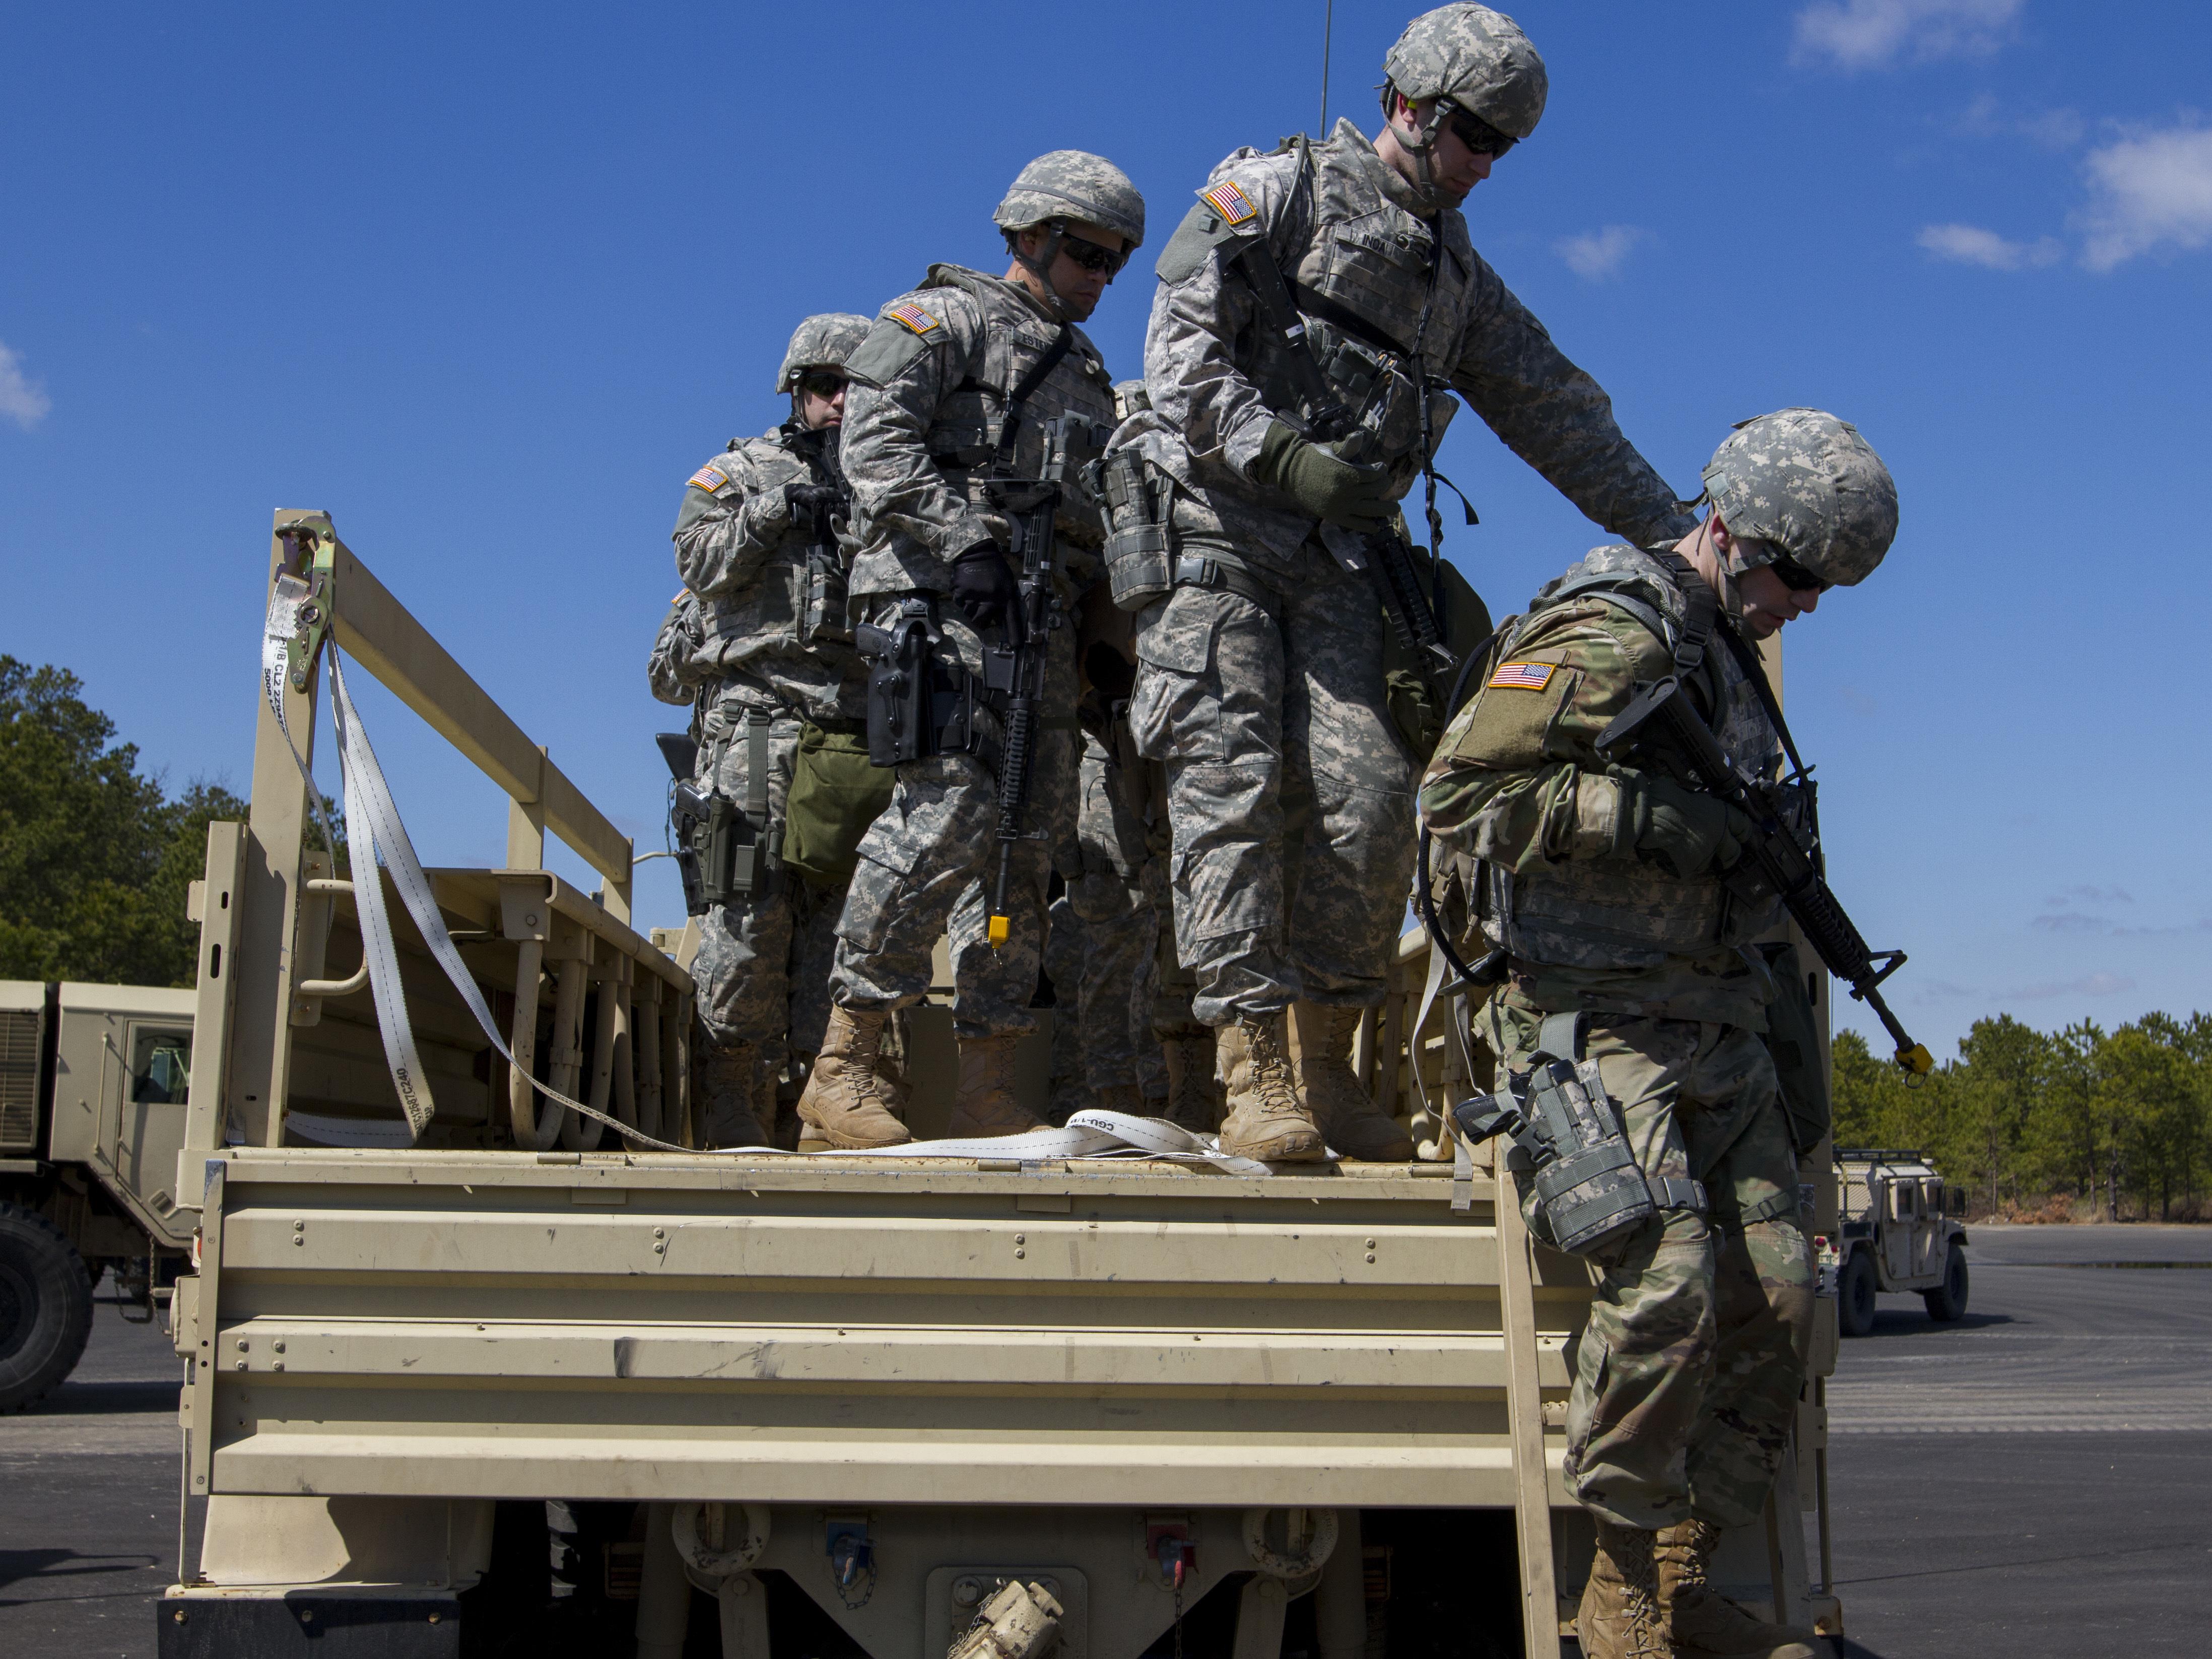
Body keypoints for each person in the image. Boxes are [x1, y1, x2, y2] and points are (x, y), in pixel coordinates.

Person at [1104, 3, 1692, 1163]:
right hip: (1217, 529)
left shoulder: (1454, 281)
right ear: (1407, 108)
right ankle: (1253, 1069)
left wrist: (1680, 538)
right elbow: (1174, 347)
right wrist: (1281, 453)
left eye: (1501, 147)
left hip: (1335, 561)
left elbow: (1559, 414)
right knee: (1228, 790)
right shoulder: (1281, 194)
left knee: (1373, 799)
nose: (1482, 163)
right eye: (1471, 133)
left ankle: (1326, 1063)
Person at [1418, 409, 1899, 1659]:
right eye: (1800, 575)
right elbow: (1459, 795)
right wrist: (1654, 822)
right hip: (1590, 1015)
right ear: (1733, 532)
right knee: (1666, 1290)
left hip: (1713, 1014)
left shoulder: (1725, 648)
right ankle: (1622, 1587)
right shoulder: (1612, 626)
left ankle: (1682, 1571)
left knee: (1783, 1299)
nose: (1807, 604)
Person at [797, 152, 1145, 1148]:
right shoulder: (937, 320)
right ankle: (845, 1064)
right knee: (945, 815)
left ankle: (991, 1078)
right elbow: (873, 446)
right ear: (1029, 235)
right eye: (1086, 252)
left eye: (1116, 263)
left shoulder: (1085, 373)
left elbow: (1098, 514)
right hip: (949, 609)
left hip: (1046, 630)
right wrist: (967, 545)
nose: (1098, 276)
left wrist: (1104, 635)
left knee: (1022, 854)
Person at [667, 312, 873, 1148]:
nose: (842, 406)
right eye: (827, 388)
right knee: (747, 914)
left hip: (852, 728)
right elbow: (693, 558)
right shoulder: (742, 470)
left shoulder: (891, 476)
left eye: (861, 391)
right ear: (797, 391)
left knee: (839, 926)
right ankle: (730, 1090)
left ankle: (814, 1099)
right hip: (756, 717)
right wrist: (773, 514)